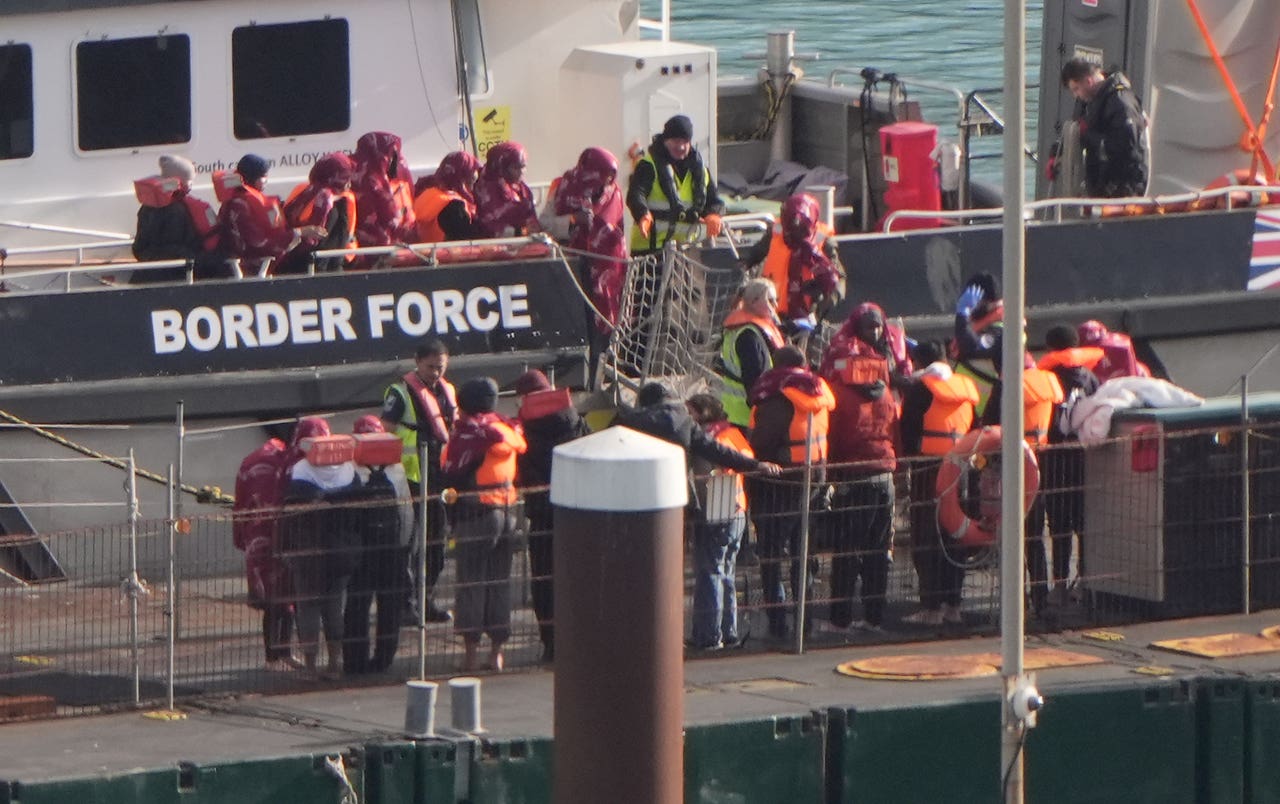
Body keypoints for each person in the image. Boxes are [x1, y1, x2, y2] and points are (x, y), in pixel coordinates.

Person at [819, 302, 900, 633]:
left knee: (846, 550)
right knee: (878, 550)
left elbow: (834, 435)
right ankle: (874, 617)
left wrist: (829, 473)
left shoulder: (838, 393)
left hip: (852, 475)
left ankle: (840, 619)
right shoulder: (886, 395)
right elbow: (895, 429)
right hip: (885, 471)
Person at [746, 345, 836, 639]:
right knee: (803, 554)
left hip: (779, 485)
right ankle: (804, 620)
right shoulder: (819, 395)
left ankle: (778, 622)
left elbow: (761, 442)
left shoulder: (778, 399)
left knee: (772, 555)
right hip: (813, 481)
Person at [441, 377, 527, 672]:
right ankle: (497, 653)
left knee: (471, 583)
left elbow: (450, 472)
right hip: (508, 511)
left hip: (476, 516)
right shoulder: (507, 427)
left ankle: (469, 656)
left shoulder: (469, 434)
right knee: (499, 582)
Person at [898, 340, 979, 626]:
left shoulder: (921, 389)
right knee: (955, 536)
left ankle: (931, 608)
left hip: (928, 470)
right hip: (962, 470)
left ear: (920, 363)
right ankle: (953, 606)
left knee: (926, 538)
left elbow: (907, 431)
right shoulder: (966, 387)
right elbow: (977, 428)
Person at [513, 369, 588, 662]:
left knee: (544, 579)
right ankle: (578, 640)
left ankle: (551, 643)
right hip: (578, 510)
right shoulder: (574, 420)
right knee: (577, 576)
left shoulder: (525, 431)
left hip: (543, 513)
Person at [381, 339, 457, 623]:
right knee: (411, 545)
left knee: (438, 543)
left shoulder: (448, 391)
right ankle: (406, 605)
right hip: (411, 479)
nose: (435, 373)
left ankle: (426, 601)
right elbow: (385, 432)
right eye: (430, 367)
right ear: (417, 362)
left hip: (440, 477)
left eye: (441, 367)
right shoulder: (399, 393)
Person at [278, 418, 357, 678]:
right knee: (335, 607)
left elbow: (290, 512)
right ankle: (336, 663)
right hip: (343, 550)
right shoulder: (348, 468)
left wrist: (286, 549)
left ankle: (311, 666)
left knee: (308, 607)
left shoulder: (301, 469)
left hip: (309, 551)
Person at [1037, 324, 1103, 608]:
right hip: (1084, 460)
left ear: (1051, 348)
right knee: (1083, 525)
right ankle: (1086, 583)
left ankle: (1060, 585)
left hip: (1054, 460)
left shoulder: (1048, 377)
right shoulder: (1090, 378)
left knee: (1059, 526)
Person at [341, 415, 413, 674]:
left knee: (357, 604)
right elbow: (406, 511)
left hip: (362, 549)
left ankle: (354, 660)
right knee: (389, 604)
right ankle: (384, 658)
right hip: (392, 548)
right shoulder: (396, 469)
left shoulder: (349, 467)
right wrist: (404, 546)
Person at [685, 393, 754, 651]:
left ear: (702, 413)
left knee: (710, 572)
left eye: (690, 411)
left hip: (716, 510)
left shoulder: (707, 439)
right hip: (737, 509)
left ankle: (710, 636)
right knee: (725, 573)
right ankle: (729, 632)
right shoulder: (733, 433)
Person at [544, 147, 629, 337]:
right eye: (603, 175)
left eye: (610, 176)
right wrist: (573, 220)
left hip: (607, 271)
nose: (607, 181)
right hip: (572, 265)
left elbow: (619, 230)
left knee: (606, 326)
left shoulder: (614, 193)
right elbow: (544, 224)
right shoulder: (563, 186)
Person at [232, 434, 298, 669]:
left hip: (256, 534)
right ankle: (282, 652)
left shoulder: (250, 462)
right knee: (287, 597)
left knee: (270, 599)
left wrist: (239, 535)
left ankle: (273, 656)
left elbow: (240, 502)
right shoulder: (288, 460)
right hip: (283, 534)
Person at [739, 192, 843, 327]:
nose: (791, 235)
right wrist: (742, 267)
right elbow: (755, 253)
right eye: (788, 231)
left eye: (797, 232)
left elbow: (838, 279)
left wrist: (823, 307)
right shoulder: (776, 231)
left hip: (807, 314)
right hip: (772, 310)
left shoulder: (824, 240)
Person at [626, 114, 725, 253]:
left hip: (685, 252)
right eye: (676, 141)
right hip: (650, 250)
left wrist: (714, 214)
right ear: (666, 140)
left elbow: (714, 201)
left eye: (685, 141)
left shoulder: (700, 171)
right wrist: (643, 214)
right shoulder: (649, 165)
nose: (681, 146)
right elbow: (636, 194)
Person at [217, 154, 325, 276]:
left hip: (259, 260)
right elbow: (258, 244)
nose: (267, 180)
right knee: (304, 263)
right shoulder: (240, 206)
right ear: (253, 178)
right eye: (264, 176)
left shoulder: (237, 200)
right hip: (249, 266)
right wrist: (300, 232)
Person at [1059, 57, 1148, 198]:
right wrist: (1057, 153)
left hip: (1123, 189)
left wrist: (1088, 135)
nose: (1076, 95)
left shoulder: (1120, 102)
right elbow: (1078, 127)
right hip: (1101, 186)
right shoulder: (1089, 101)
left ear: (1088, 81)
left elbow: (1126, 148)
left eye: (1076, 89)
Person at [131, 154, 222, 282]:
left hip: (147, 274)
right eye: (190, 180)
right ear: (182, 182)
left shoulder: (147, 207)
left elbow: (139, 248)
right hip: (179, 275)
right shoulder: (182, 209)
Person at [718, 278, 786, 432]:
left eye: (776, 300)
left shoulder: (740, 328)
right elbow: (755, 379)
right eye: (770, 300)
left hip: (735, 412)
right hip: (748, 416)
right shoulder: (749, 336)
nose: (775, 305)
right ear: (754, 302)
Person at [280, 152, 358, 273]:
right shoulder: (343, 200)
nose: (349, 183)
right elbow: (345, 236)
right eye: (346, 177)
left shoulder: (301, 189)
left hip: (288, 261)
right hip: (321, 268)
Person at [351, 131, 417, 255]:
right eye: (392, 154)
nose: (396, 159)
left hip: (394, 248)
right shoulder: (369, 180)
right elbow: (391, 217)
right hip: (372, 253)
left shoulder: (353, 173)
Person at [952, 272, 1005, 422]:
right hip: (972, 412)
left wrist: (962, 315)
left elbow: (971, 346)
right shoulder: (983, 325)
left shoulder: (1001, 329)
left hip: (988, 415)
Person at [474, 141, 540, 238]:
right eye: (515, 168)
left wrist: (533, 229)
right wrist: (521, 232)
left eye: (523, 167)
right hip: (493, 247)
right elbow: (488, 227)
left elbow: (531, 219)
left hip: (525, 243)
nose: (521, 172)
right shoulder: (486, 190)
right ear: (501, 167)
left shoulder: (522, 188)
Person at [414, 151, 481, 243]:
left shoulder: (426, 193)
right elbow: (468, 240)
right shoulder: (455, 207)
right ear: (462, 180)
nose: (473, 187)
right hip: (443, 255)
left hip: (424, 252)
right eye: (472, 180)